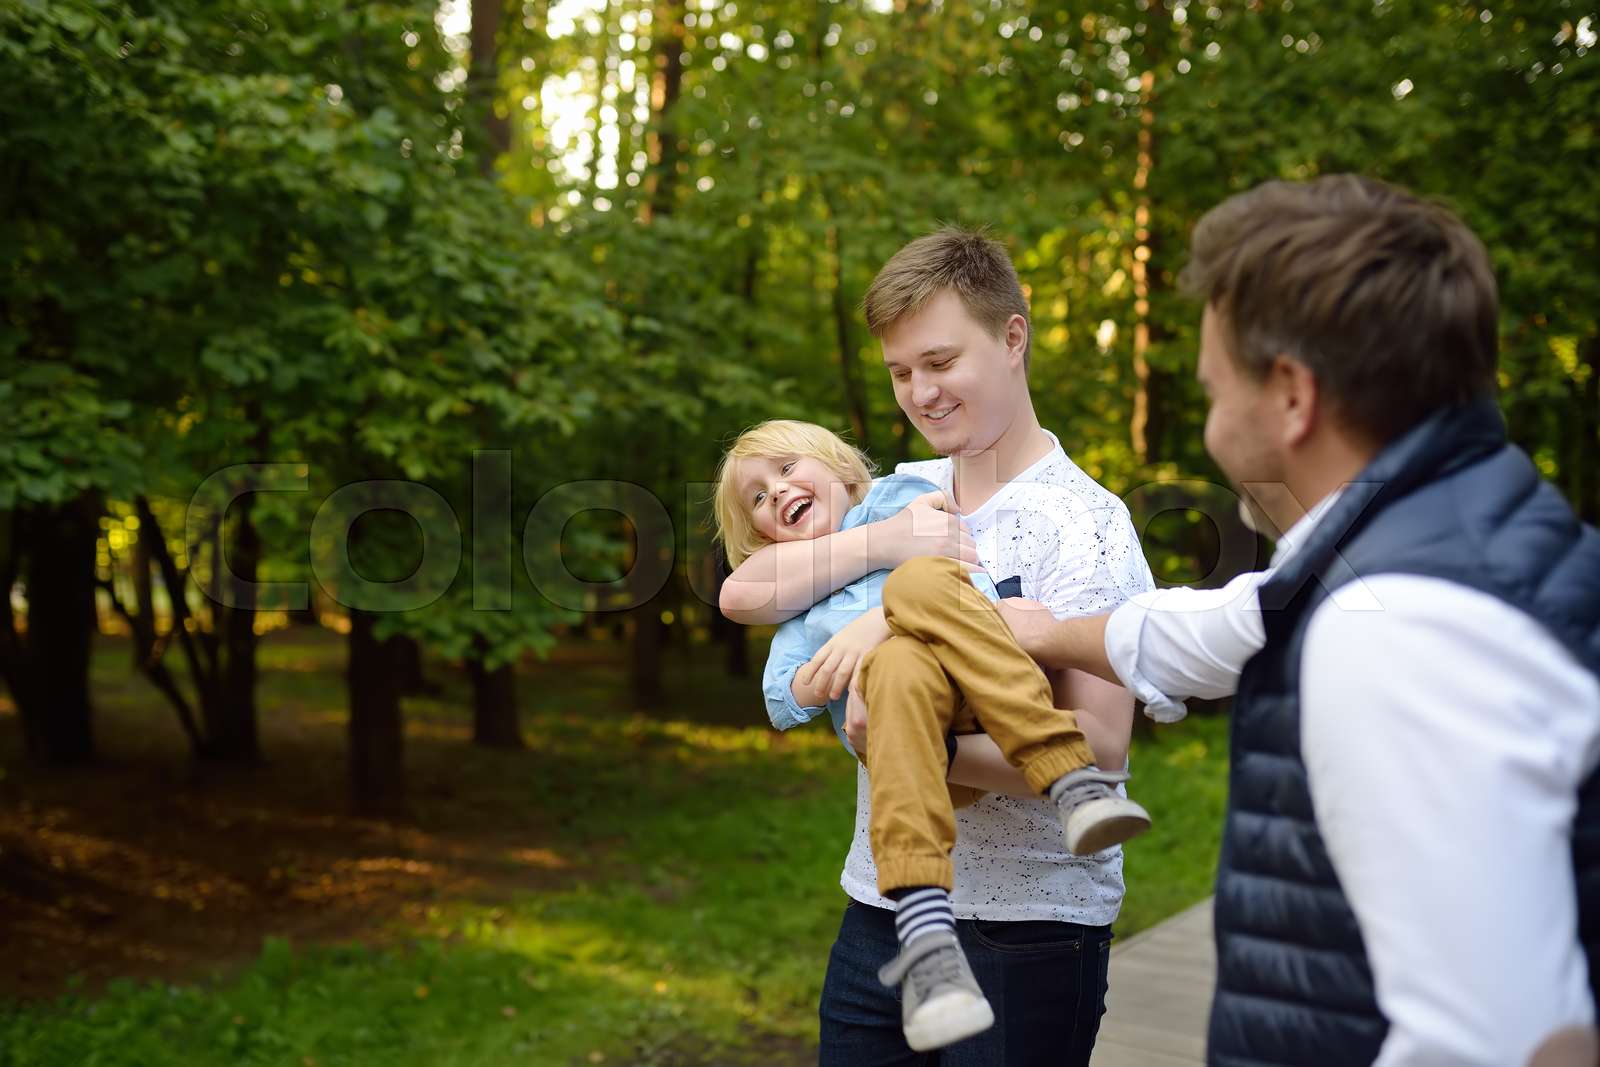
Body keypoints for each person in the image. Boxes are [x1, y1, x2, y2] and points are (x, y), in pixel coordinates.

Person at [994, 175, 1600, 1067]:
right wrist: (1044, 631)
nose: (1207, 429)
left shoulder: (1396, 629)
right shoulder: (1457, 532)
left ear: (1291, 394)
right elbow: (1225, 622)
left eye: (1212, 391)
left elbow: (1500, 1044)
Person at [719, 228, 1155, 1065]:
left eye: (940, 361)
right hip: (883, 905)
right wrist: (881, 557)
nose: (920, 391)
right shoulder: (893, 498)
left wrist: (908, 731)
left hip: (1026, 930)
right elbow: (749, 588)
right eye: (900, 372)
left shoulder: (1087, 524)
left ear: (1014, 337)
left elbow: (1103, 745)